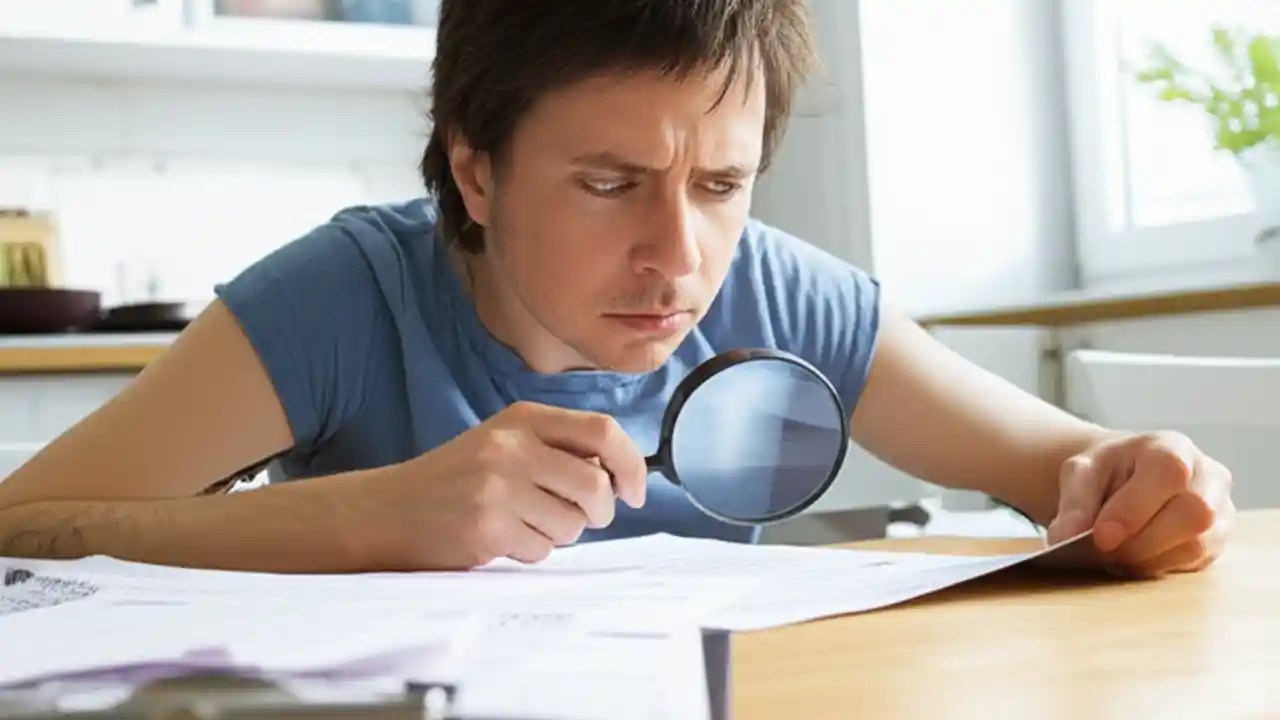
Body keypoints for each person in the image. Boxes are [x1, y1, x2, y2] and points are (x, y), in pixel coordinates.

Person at [0, 0, 1233, 576]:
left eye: (721, 184)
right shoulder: (342, 296)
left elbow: (1068, 464)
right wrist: (368, 519)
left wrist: (1143, 477)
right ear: (474, 170)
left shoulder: (779, 290)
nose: (680, 258)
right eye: (607, 184)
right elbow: (16, 527)